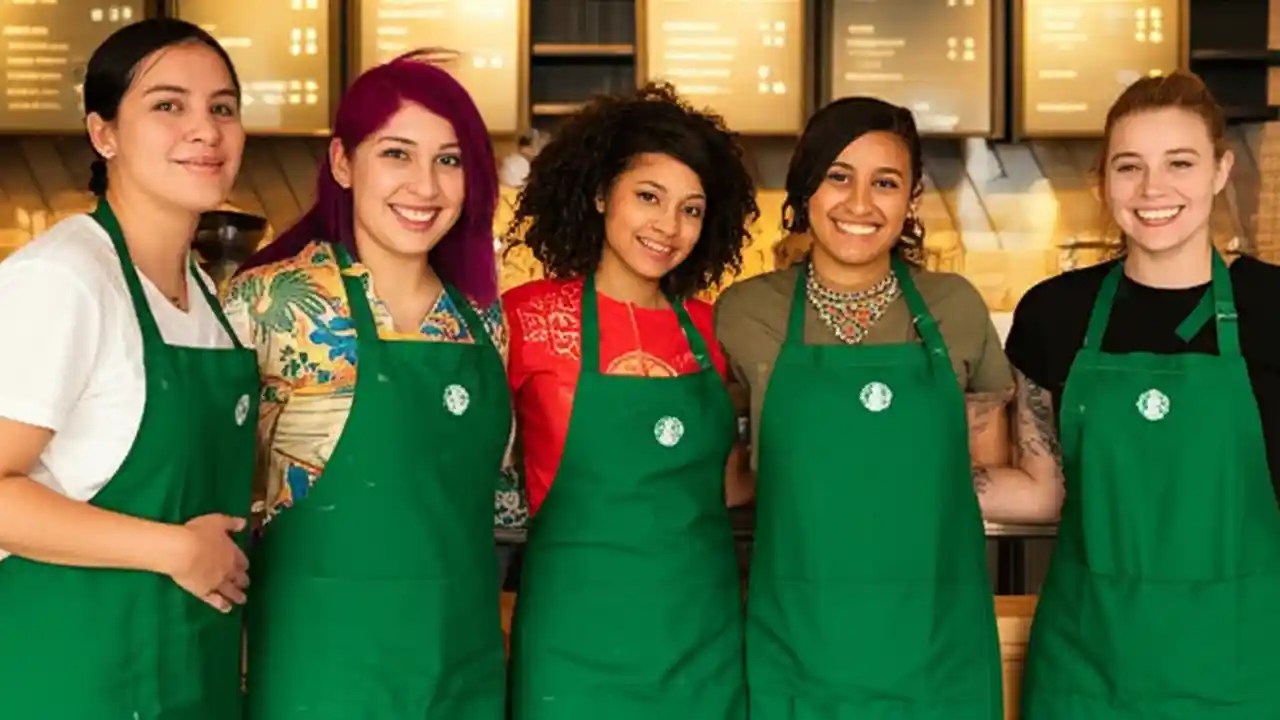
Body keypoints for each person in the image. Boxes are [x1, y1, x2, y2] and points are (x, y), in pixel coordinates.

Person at [715, 96, 1058, 719]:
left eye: (886, 183)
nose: (859, 204)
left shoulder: (954, 306)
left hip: (937, 644)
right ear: (806, 188)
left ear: (912, 198)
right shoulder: (743, 313)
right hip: (799, 644)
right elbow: (721, 455)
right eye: (838, 176)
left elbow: (984, 463)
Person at [224, 53, 522, 718]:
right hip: (323, 672)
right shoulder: (272, 304)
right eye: (397, 153)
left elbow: (496, 507)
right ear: (341, 163)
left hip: (460, 672)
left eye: (449, 160)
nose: (426, 185)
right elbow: (211, 492)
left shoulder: (482, 326)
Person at [0, 19, 254, 718]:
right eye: (168, 105)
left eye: (222, 108)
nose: (204, 130)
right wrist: (174, 548)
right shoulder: (65, 279)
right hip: (73, 677)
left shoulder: (201, 292)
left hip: (181, 675)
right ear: (103, 133)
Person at [1013, 72, 1280, 718]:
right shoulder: (1054, 314)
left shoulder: (1272, 306)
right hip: (1085, 674)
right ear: (1104, 180)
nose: (1153, 190)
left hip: (1241, 672)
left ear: (1220, 170)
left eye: (1179, 163)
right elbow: (1039, 485)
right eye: (1129, 167)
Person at [503, 82, 758, 718]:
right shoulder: (527, 319)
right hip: (573, 645)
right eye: (649, 197)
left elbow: (728, 481)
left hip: (702, 639)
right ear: (598, 194)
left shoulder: (716, 330)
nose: (668, 227)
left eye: (692, 210)